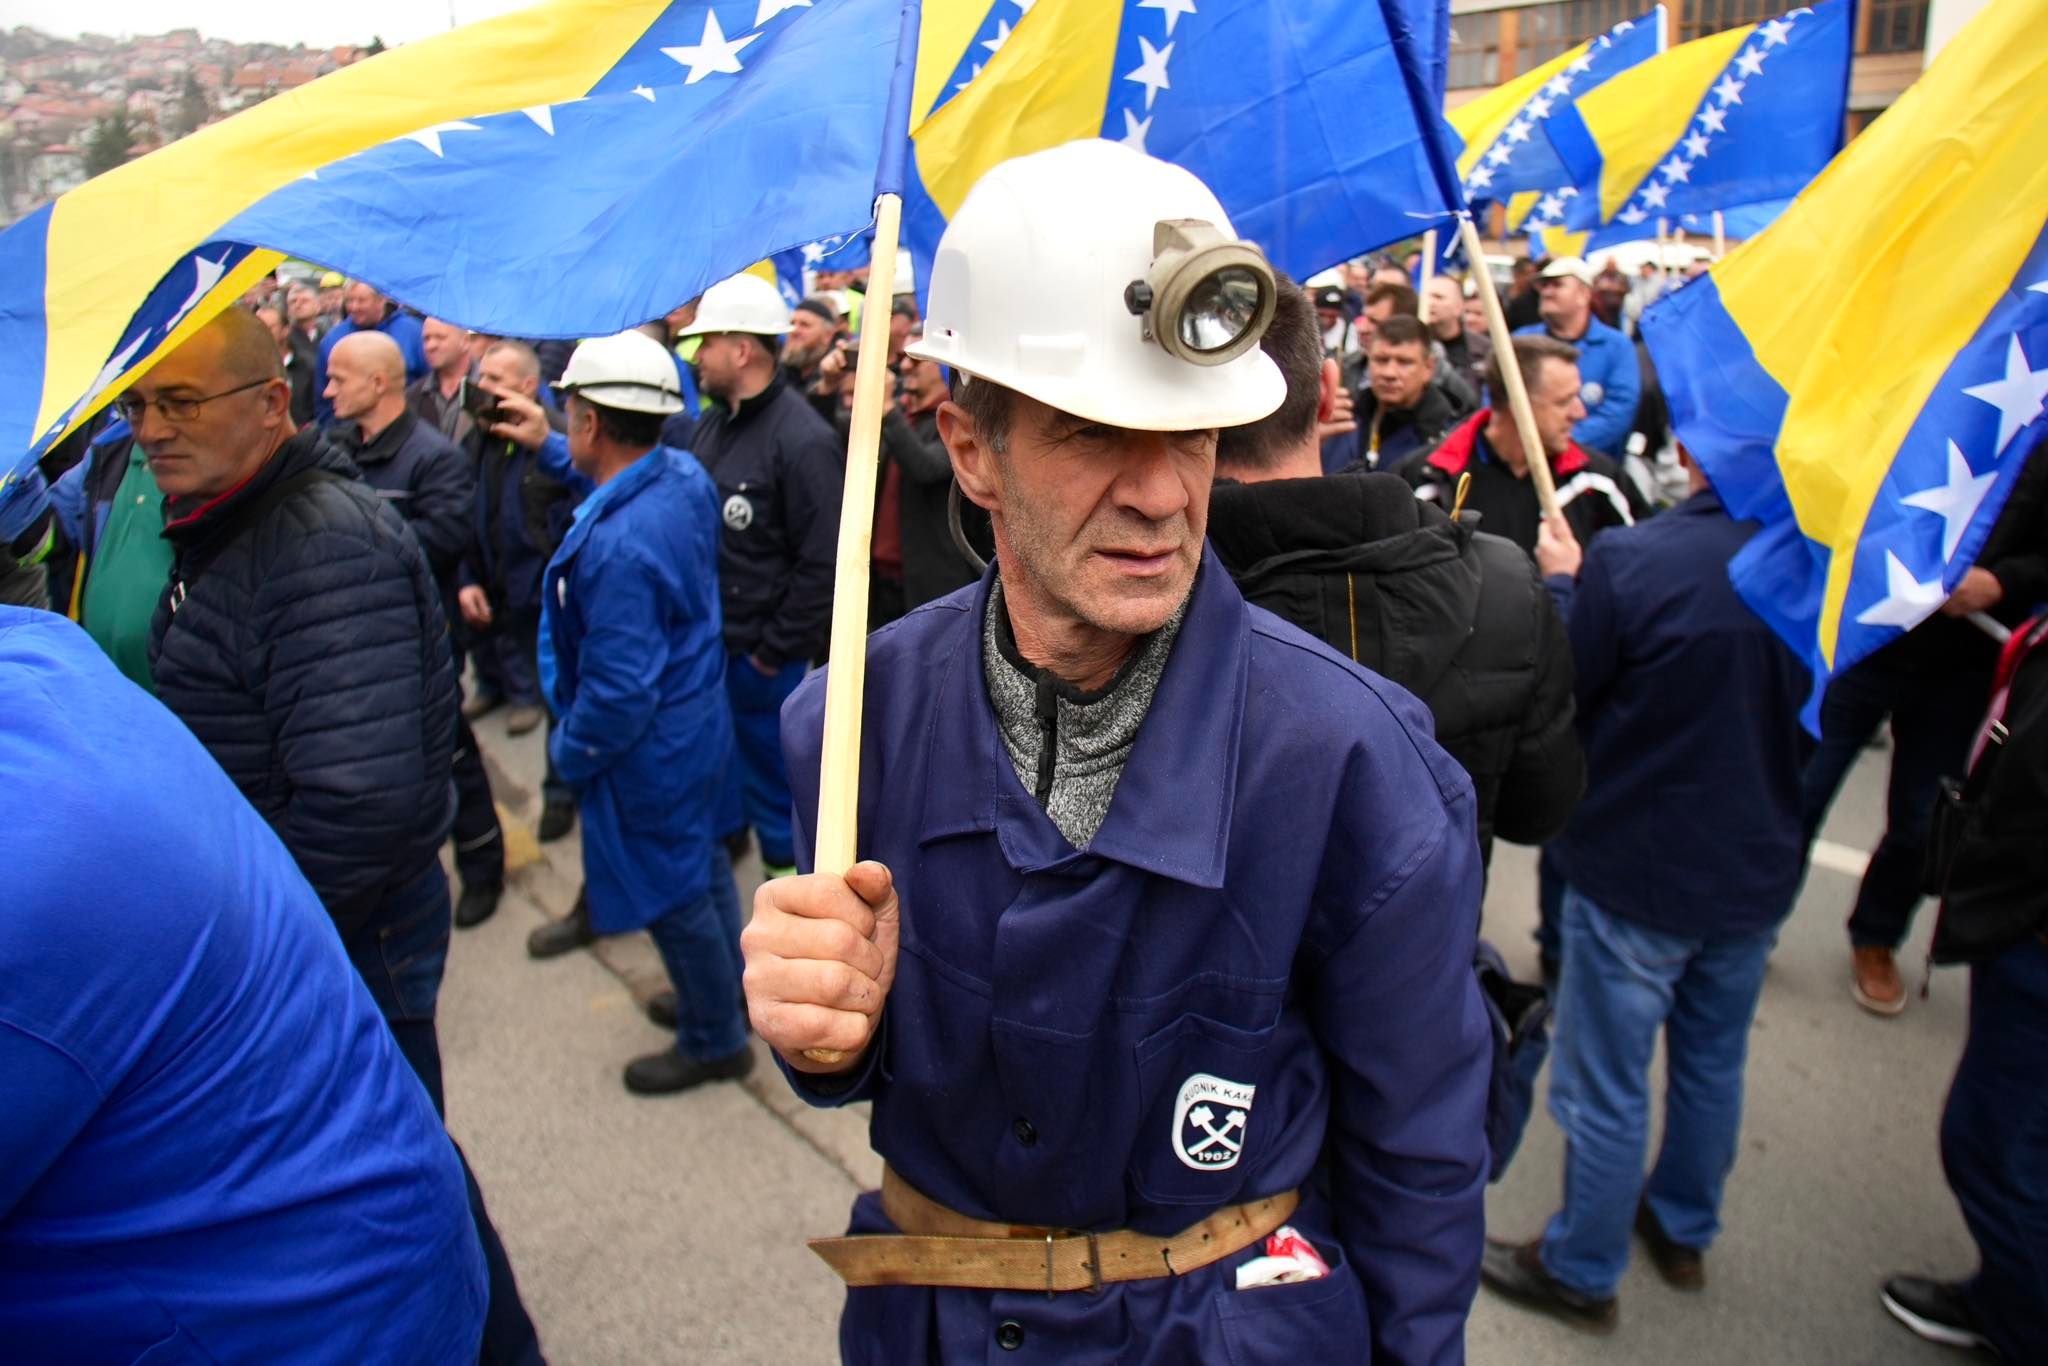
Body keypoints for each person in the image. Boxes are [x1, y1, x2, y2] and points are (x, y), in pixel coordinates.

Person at [741, 137, 1489, 1365]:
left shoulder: (1353, 762)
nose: (1159, 495)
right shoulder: (848, 719)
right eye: (1093, 431)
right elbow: (867, 1057)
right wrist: (827, 1033)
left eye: (1190, 434)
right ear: (969, 447)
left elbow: (1421, 1155)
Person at [124, 307, 540, 1360]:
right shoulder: (236, 527)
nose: (150, 429)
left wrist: (253, 956)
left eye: (180, 402)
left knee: (393, 1171)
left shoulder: (318, 549)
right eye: (139, 404)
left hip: (342, 938)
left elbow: (361, 806)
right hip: (309, 925)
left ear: (272, 404)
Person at [1, 606, 487, 1359]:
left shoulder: (31, 840)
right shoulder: (51, 642)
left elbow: (367, 800)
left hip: (311, 1301)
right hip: (328, 1238)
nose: (152, 478)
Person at [1479, 451, 1810, 1333]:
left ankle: (1584, 1264)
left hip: (1640, 869)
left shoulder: (1638, 560)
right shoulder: (1824, 564)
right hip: (1755, 865)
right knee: (1711, 1061)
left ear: (1698, 451)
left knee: (1604, 1082)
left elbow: (1570, 687)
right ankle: (1681, 1225)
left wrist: (1563, 589)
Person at [1210, 275, 1581, 866]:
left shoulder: (1135, 594)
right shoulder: (1506, 582)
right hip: (1433, 936)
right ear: (1330, 391)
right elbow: (1539, 809)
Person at [488, 332, 749, 1095]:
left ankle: (715, 1038)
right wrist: (550, 453)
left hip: (649, 749)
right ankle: (720, 988)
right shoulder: (681, 473)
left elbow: (618, 692)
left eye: (569, 409)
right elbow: (618, 481)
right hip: (695, 724)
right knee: (700, 866)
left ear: (590, 423)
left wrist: (569, 756)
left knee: (672, 894)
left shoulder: (618, 550)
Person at [1801, 449, 2048, 1014]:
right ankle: (1751, 922)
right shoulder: (1930, 375)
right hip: (1867, 635)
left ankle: (1877, 936)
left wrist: (2001, 581)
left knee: (1920, 822)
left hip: (1964, 663)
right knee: (1801, 790)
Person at [1880, 614, 2048, 1361]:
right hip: (2012, 908)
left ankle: (2024, 1325)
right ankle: (2001, 1301)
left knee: (1993, 1148)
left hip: (2031, 927)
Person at [326, 329, 505, 929]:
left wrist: (350, 548)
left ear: (378, 384)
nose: (326, 392)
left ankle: (483, 868)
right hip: (354, 648)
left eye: (338, 380)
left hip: (422, 645)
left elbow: (447, 538)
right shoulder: (336, 451)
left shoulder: (433, 457)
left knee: (451, 756)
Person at [677, 272, 844, 878]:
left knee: (777, 792)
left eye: (706, 345)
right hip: (717, 649)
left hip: (761, 662)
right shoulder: (714, 423)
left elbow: (824, 564)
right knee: (730, 770)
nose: (695, 357)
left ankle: (785, 889)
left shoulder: (803, 440)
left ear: (741, 350)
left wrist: (773, 655)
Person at [461, 342, 579, 836]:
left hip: (548, 597)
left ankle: (561, 792)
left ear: (529, 387)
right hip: (499, 585)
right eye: (482, 377)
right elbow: (463, 510)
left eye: (496, 381)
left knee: (560, 699)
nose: (482, 389)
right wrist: (467, 577)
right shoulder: (479, 436)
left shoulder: (559, 440)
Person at [1404, 335, 1648, 556]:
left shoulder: (1597, 480)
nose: (1580, 412)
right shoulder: (1428, 478)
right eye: (1564, 401)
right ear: (1515, 403)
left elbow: (1641, 565)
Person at [45, 415, 168, 691]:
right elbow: (49, 532)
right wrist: (20, 486)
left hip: (187, 696)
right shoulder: (110, 447)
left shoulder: (222, 451)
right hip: (103, 685)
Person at [881, 329, 990, 610]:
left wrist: (887, 410)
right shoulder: (906, 415)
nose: (904, 366)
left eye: (916, 360)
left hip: (934, 580)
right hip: (887, 577)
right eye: (904, 358)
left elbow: (925, 467)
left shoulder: (961, 424)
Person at [1515, 258, 1640, 457]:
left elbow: (1618, 411)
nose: (1547, 292)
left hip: (1592, 468)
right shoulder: (1522, 342)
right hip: (1525, 462)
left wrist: (1561, 443)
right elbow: (1498, 398)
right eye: (1544, 285)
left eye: (1557, 285)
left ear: (1584, 294)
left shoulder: (1616, 347)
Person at [1340, 314, 1474, 475]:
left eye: (1404, 362)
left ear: (1429, 368)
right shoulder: (1347, 417)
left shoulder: (1448, 435)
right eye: (1381, 360)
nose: (1389, 373)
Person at [314, 279, 429, 425]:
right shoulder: (333, 339)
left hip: (404, 427)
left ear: (381, 300)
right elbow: (323, 400)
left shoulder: (412, 332)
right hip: (347, 435)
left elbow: (429, 384)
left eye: (361, 301)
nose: (354, 307)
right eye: (350, 300)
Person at [411, 316, 483, 453]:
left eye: (440, 338)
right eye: (426, 339)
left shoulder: (489, 389)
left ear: (465, 342)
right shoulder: (414, 395)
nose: (430, 346)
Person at [1427, 274, 1491, 398]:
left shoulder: (1485, 349)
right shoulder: (1412, 345)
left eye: (1438, 297)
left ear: (1459, 307)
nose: (1430, 303)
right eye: (1426, 296)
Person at [255, 303, 317, 424]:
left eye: (268, 328)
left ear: (285, 330)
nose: (260, 334)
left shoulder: (307, 366)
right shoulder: (248, 371)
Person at [1311, 280, 1355, 358]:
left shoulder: (1348, 329)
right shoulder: (1307, 327)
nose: (1326, 320)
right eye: (1322, 315)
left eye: (1332, 316)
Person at [1504, 256, 1543, 331]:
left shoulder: (1537, 299)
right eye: (1528, 274)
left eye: (1534, 274)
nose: (1531, 278)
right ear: (1516, 274)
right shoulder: (1500, 295)